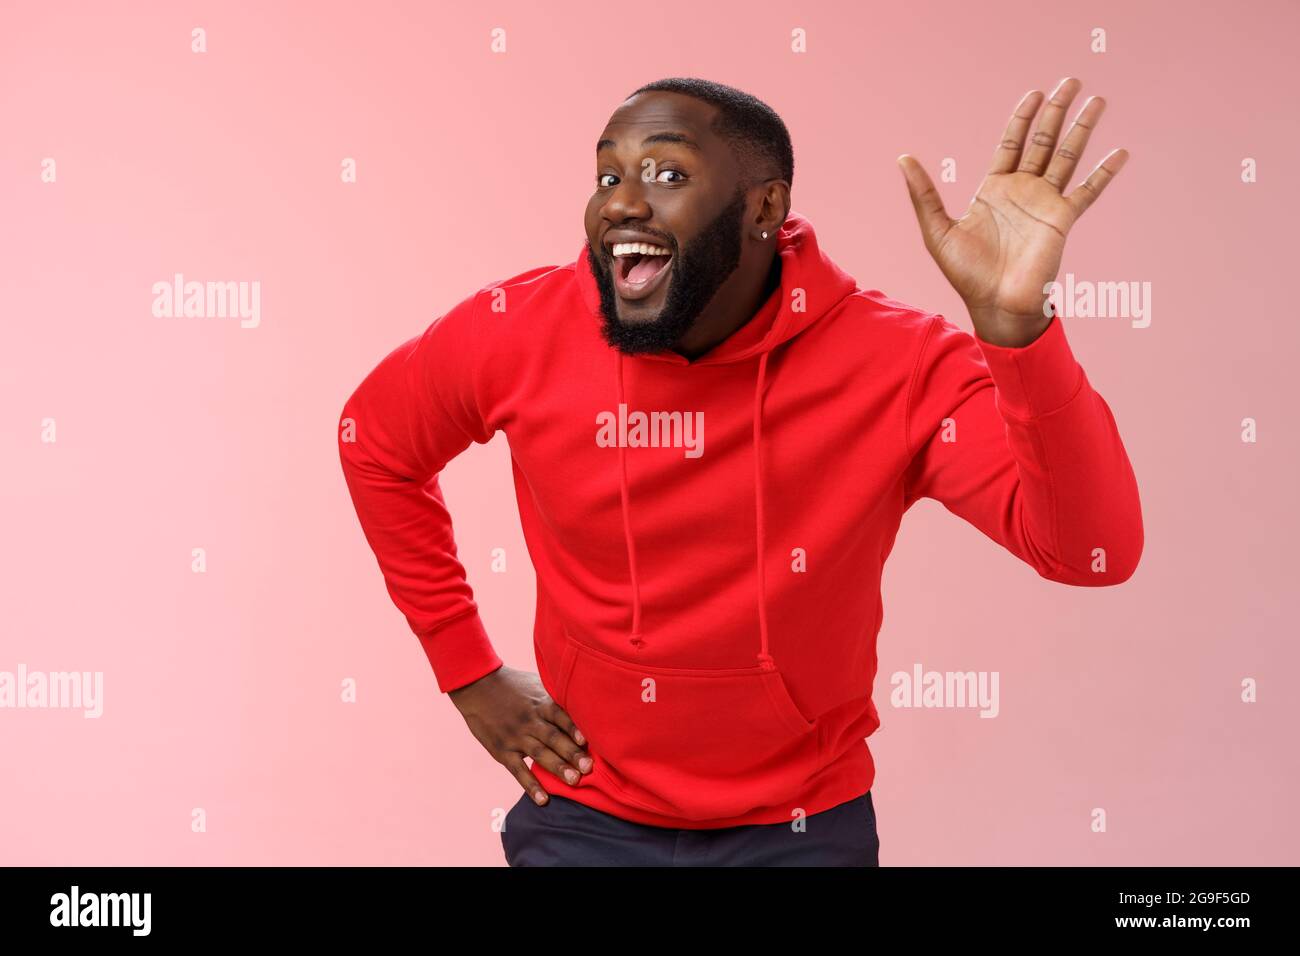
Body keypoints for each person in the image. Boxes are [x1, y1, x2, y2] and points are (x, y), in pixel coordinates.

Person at [337, 76, 1143, 866]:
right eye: (608, 175)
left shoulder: (900, 362)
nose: (620, 202)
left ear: (764, 207)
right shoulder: (519, 329)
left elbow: (1089, 554)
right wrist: (466, 670)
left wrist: (1016, 333)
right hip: (579, 813)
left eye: (667, 174)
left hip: (802, 826)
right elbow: (372, 441)